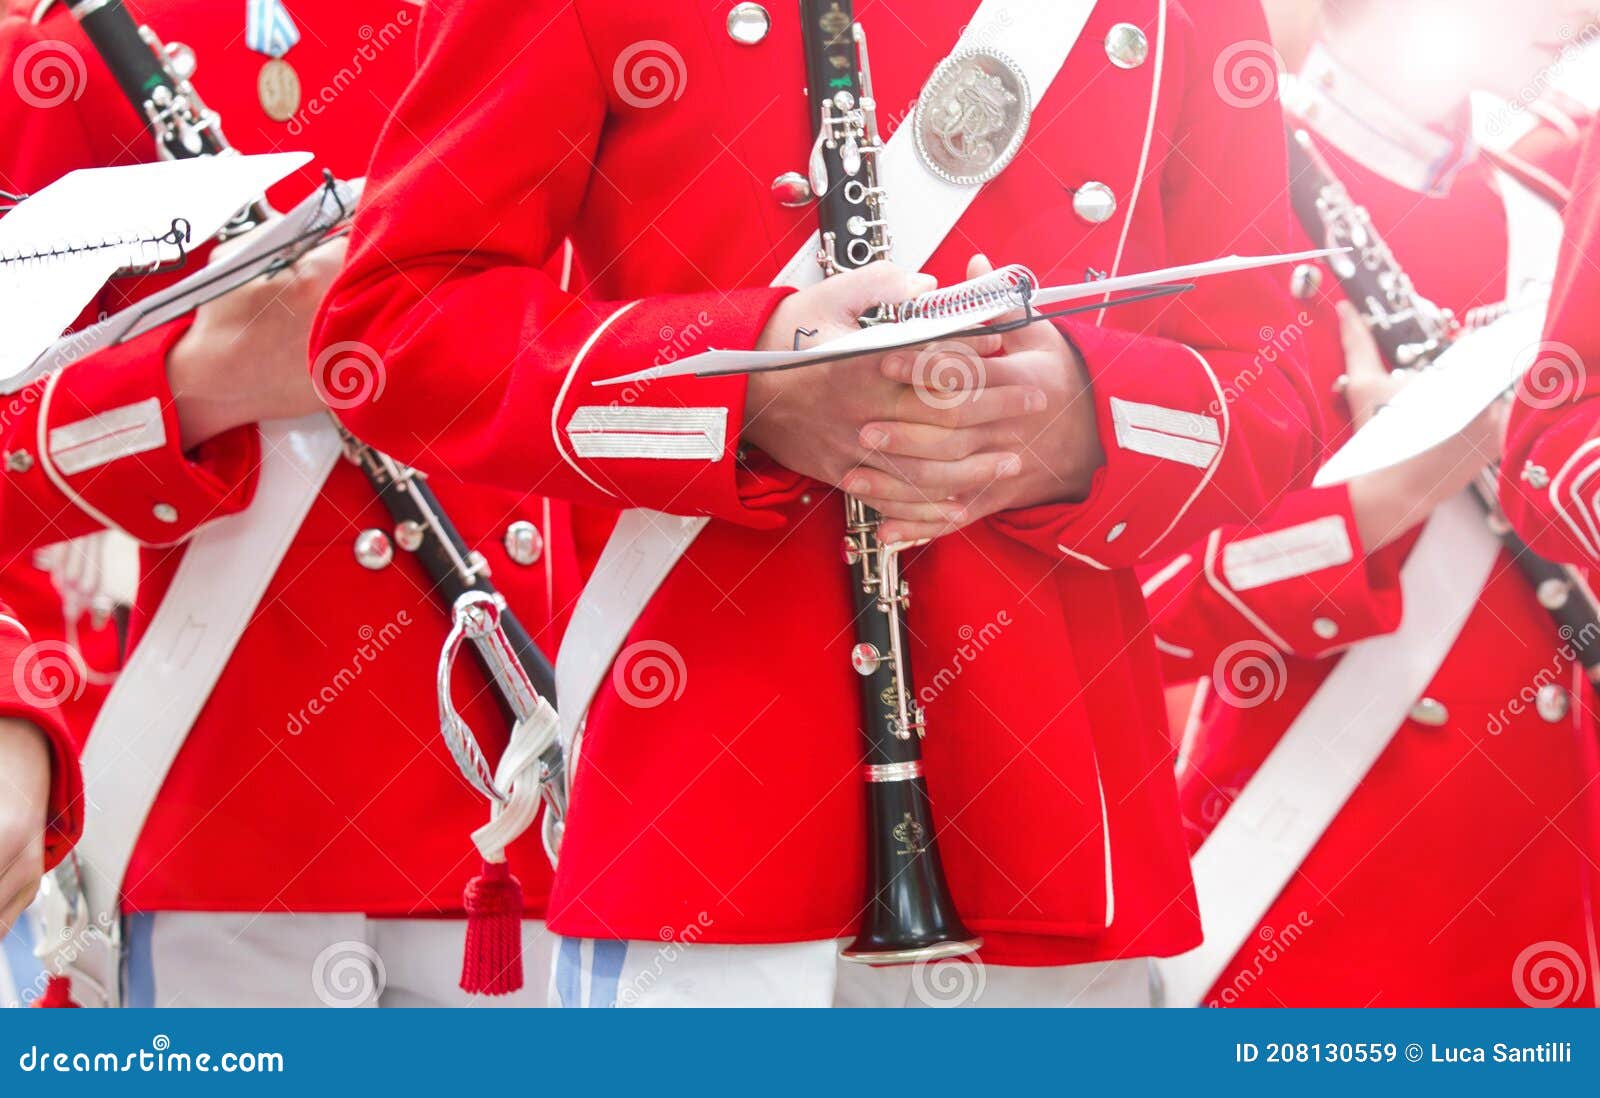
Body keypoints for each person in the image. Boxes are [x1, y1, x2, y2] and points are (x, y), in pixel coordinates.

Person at [307, 0, 1327, 1007]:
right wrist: (746, 390)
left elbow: (1277, 387)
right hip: (703, 821)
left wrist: (1082, 420)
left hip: (1051, 825)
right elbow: (395, 327)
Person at [0, 0, 582, 1006]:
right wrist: (197, 381)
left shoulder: (609, 31)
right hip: (220, 851)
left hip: (555, 815)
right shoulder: (82, 51)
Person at [1143, 0, 1600, 1007]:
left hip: (1543, 899)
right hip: (1312, 899)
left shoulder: (1560, 210)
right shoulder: (1230, 191)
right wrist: (1392, 488)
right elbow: (1140, 612)